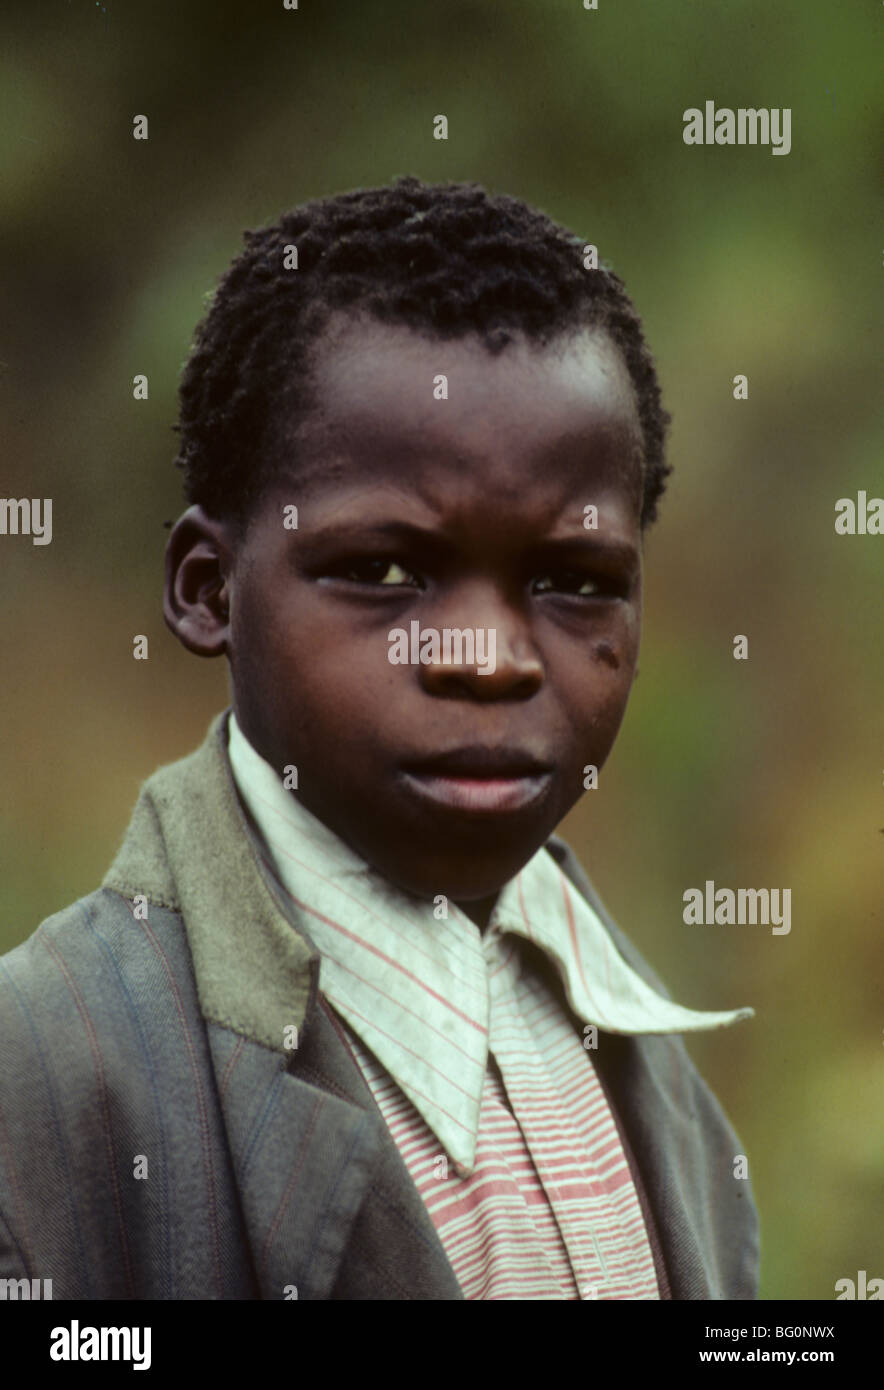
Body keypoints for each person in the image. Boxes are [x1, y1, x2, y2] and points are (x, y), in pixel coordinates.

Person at [0, 176, 758, 1300]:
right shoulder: (53, 1085)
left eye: (571, 582)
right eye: (384, 574)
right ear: (209, 590)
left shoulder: (635, 1036)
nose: (488, 658)